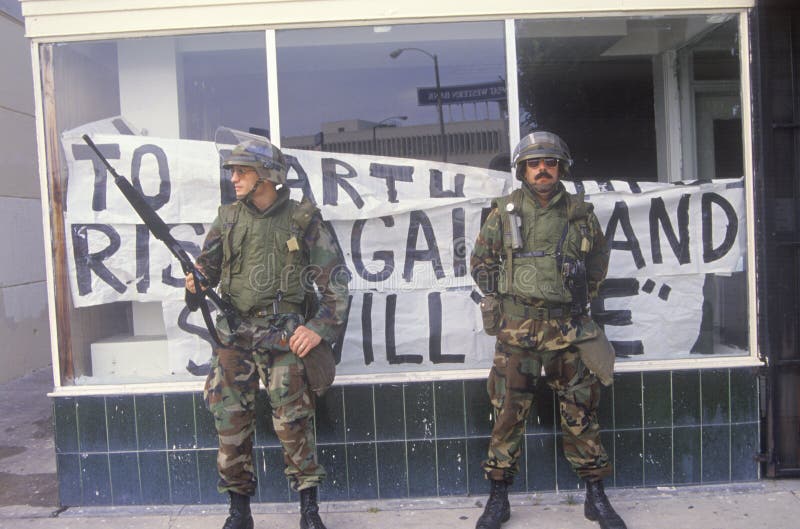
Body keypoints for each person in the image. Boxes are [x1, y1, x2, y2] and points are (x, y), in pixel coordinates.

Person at [186, 128, 350, 529]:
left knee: (294, 422)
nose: (234, 178)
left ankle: (309, 510)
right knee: (229, 418)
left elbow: (337, 284)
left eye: (241, 171)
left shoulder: (301, 219)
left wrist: (318, 329)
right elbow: (205, 273)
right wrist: (195, 284)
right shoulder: (227, 218)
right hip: (235, 335)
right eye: (232, 171)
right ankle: (239, 512)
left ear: (266, 175)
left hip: (284, 335)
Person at [470, 131, 626, 529]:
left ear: (561, 168)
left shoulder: (579, 213)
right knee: (508, 413)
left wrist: (577, 293)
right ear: (523, 169)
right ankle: (498, 497)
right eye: (534, 163)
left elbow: (598, 260)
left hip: (568, 329)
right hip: (517, 331)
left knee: (581, 411)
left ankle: (595, 495)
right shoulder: (503, 213)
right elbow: (480, 262)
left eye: (550, 162)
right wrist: (509, 293)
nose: (543, 169)